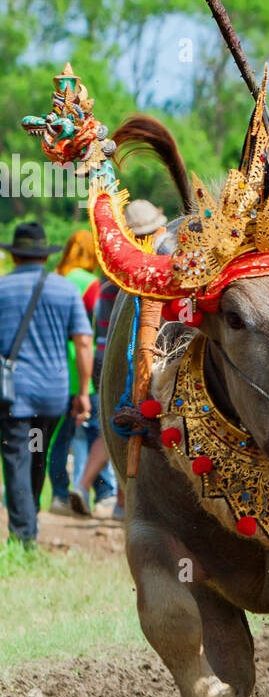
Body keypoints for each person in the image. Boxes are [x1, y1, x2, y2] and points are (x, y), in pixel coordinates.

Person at [69, 200, 168, 519]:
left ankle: (122, 501)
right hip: (133, 360)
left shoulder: (111, 274)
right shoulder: (147, 275)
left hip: (104, 356)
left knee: (120, 422)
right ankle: (90, 486)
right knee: (122, 422)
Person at [0, 221, 92, 547]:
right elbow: (83, 342)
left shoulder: (2, 288)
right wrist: (83, 392)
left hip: (14, 396)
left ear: (14, 257)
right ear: (44, 256)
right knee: (37, 451)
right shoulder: (65, 289)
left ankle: (23, 536)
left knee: (16, 458)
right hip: (53, 396)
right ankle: (30, 517)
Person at [48, 229, 117, 516]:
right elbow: (91, 330)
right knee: (94, 430)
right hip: (82, 368)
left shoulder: (53, 279)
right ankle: (102, 495)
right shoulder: (91, 284)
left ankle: (59, 496)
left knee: (58, 437)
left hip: (53, 367)